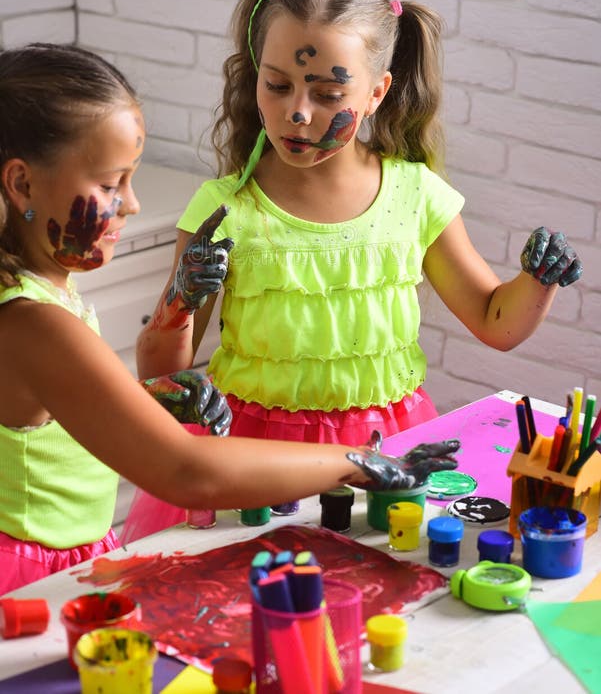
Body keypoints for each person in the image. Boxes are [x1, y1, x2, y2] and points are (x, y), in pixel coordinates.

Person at [129, 0, 582, 537]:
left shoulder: (414, 196)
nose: (297, 111)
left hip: (386, 449)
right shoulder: (226, 210)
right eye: (277, 85)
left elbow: (498, 322)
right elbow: (161, 376)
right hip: (253, 460)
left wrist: (538, 278)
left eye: (327, 93)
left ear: (375, 93)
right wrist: (179, 299)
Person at [0, 42, 459, 595]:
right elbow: (187, 471)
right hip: (25, 582)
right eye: (109, 184)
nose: (132, 203)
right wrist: (360, 461)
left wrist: (156, 396)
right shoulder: (34, 321)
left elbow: (56, 419)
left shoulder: (38, 296)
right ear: (22, 183)